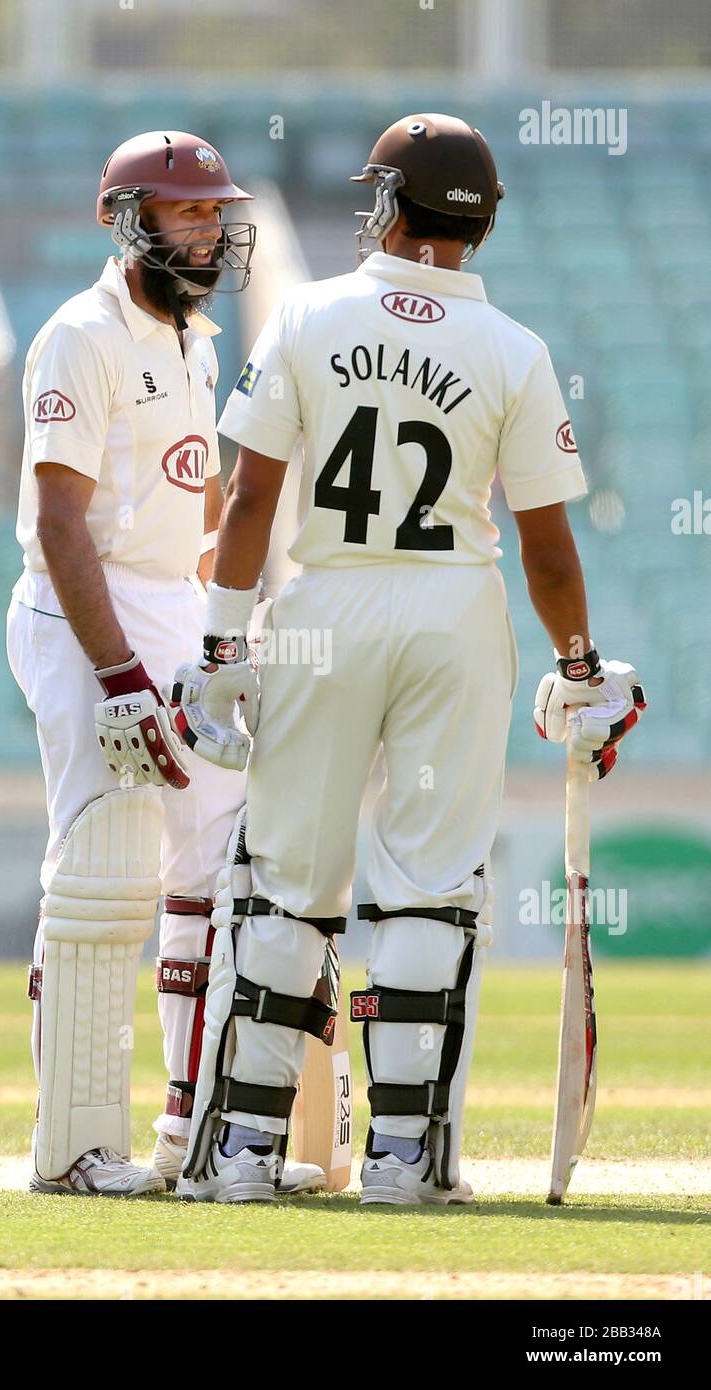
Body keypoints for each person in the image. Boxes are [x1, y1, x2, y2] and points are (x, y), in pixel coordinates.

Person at [171, 113, 645, 1205]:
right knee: (428, 890)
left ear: (386, 204)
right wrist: (576, 666)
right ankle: (400, 1158)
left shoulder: (305, 314)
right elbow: (546, 547)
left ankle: (240, 1152)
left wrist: (217, 642)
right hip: (451, 618)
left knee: (286, 882)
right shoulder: (512, 350)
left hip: (322, 605)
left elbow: (249, 496)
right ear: (480, 224)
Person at [7, 129, 322, 1197]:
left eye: (211, 214)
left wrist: (226, 630)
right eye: (184, 213)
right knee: (100, 870)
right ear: (123, 219)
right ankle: (74, 1146)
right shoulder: (78, 336)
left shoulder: (194, 339)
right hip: (77, 615)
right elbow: (59, 523)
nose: (206, 230)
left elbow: (194, 512)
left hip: (171, 611)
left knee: (212, 865)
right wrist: (119, 678)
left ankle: (191, 1129)